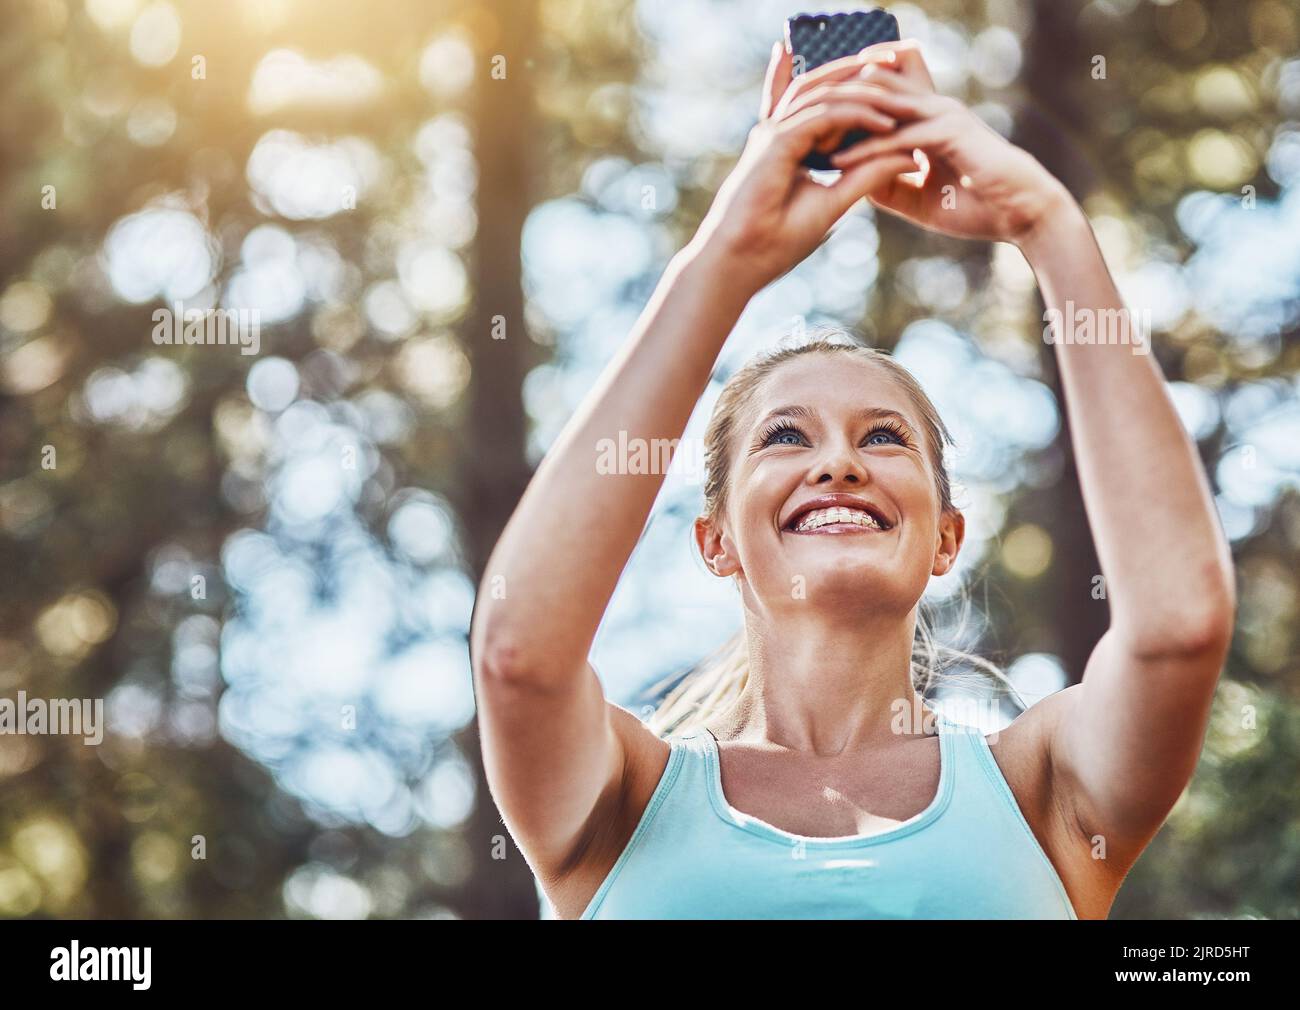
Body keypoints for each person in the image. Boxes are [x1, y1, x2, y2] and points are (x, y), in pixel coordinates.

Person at [469, 38, 1236, 919]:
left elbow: (1178, 627)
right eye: (786, 437)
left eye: (883, 438)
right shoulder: (620, 805)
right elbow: (517, 653)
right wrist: (726, 255)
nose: (839, 463)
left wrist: (1047, 227)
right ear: (716, 540)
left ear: (948, 537)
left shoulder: (1044, 791)